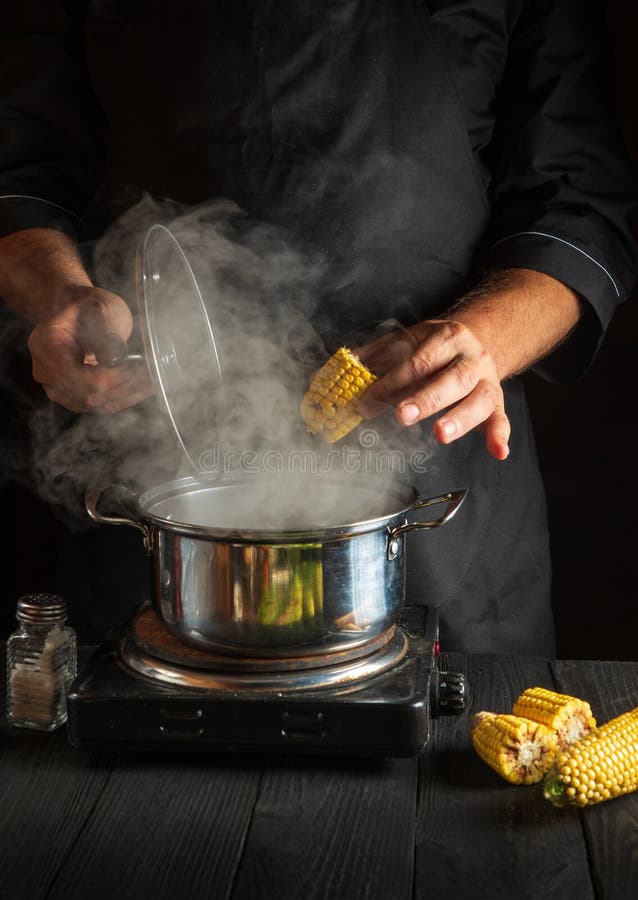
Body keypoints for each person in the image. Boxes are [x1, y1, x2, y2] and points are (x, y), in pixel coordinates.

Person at [0, 0, 636, 654]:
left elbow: (578, 204)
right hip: (155, 492)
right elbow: (21, 165)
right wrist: (56, 294)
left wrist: (484, 340)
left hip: (437, 486)